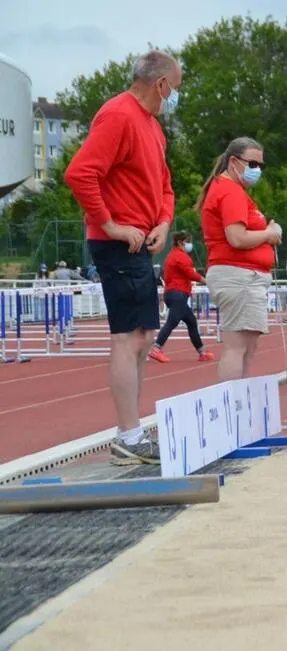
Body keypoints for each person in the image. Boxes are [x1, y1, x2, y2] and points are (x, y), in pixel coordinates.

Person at [64, 49, 181, 466]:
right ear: (161, 84)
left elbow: (165, 185)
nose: (175, 97)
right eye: (175, 88)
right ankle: (129, 435)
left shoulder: (153, 128)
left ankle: (131, 433)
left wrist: (163, 222)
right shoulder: (118, 115)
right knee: (128, 338)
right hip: (118, 243)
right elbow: (80, 173)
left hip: (142, 241)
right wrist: (111, 225)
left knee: (144, 338)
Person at [197, 136, 280, 380]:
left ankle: (239, 398)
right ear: (234, 161)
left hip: (243, 275)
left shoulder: (231, 190)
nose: (258, 170)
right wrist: (269, 234)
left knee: (246, 347)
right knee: (237, 347)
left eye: (261, 165)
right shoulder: (230, 191)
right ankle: (233, 399)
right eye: (252, 164)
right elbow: (237, 238)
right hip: (238, 275)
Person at [149, 232, 214, 363]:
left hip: (174, 293)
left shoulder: (171, 256)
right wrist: (205, 280)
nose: (189, 244)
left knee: (191, 322)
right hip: (178, 293)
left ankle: (202, 352)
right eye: (187, 241)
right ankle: (156, 348)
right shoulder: (180, 256)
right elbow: (190, 273)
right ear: (180, 242)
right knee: (172, 322)